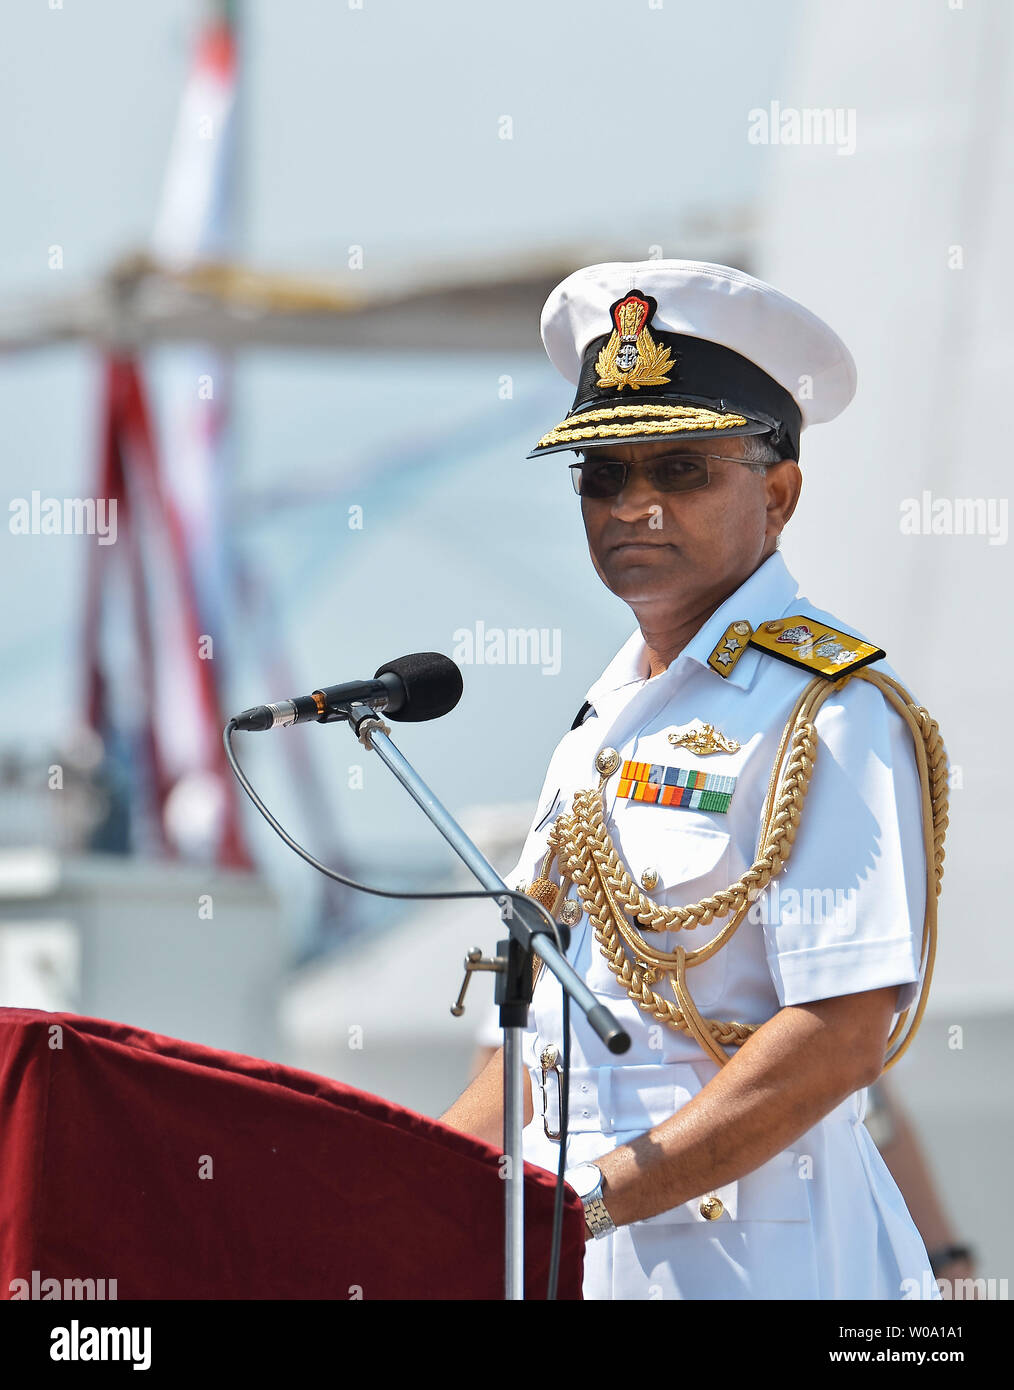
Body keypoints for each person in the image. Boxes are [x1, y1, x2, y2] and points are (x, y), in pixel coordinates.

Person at [439, 260, 948, 1300]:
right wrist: (401, 1189)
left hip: (765, 1268)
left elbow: (840, 1033)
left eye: (679, 471)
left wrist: (588, 1201)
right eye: (603, 476)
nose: (635, 505)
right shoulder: (595, 728)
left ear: (778, 491)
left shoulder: (829, 710)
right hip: (581, 1259)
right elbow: (536, 1045)